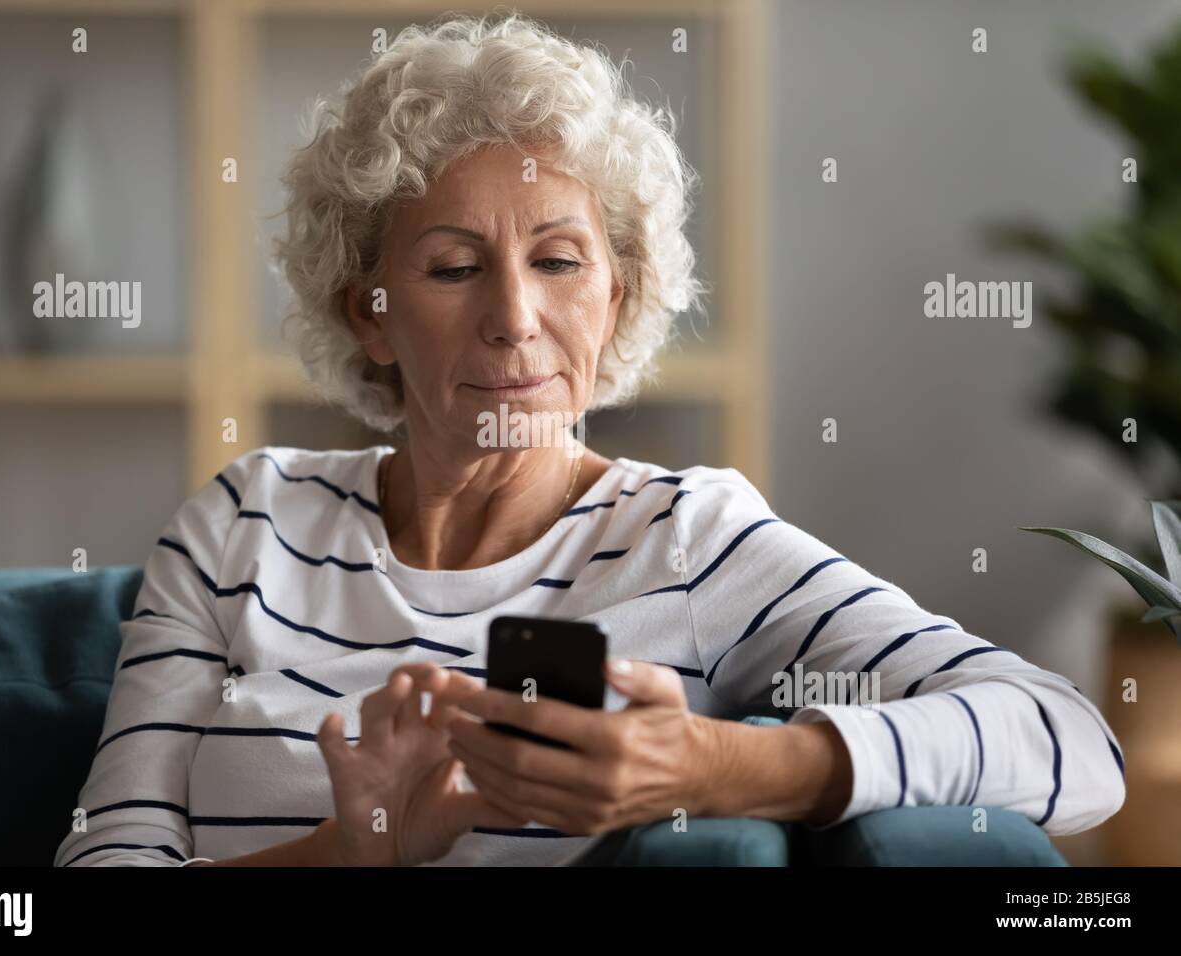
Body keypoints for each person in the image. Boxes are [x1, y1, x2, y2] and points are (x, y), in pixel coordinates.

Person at [54, 12, 1124, 867]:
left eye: (559, 262)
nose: (514, 317)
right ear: (370, 312)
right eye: (454, 266)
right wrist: (352, 850)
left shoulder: (690, 540)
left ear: (616, 296)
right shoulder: (245, 520)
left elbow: (1069, 741)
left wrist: (709, 760)